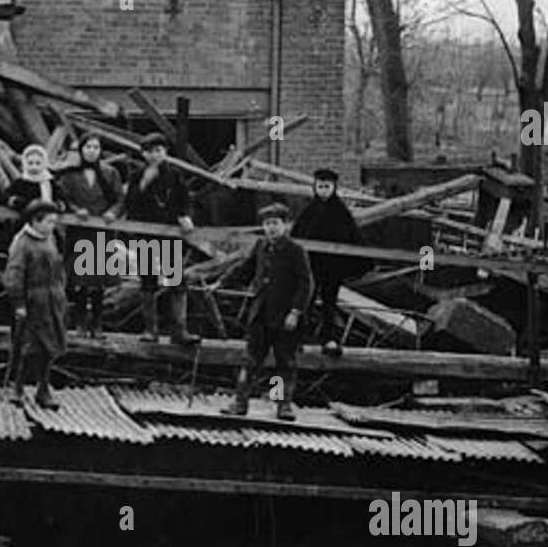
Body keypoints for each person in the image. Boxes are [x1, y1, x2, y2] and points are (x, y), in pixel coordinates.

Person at [221, 202, 314, 421]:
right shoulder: (261, 246)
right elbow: (245, 268)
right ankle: (240, 403)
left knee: (284, 363)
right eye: (267, 223)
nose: (271, 228)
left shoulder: (295, 250)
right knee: (251, 360)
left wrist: (295, 312)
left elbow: (306, 284)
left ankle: (281, 406)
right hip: (260, 315)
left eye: (275, 223)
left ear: (285, 225)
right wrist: (221, 282)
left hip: (284, 318)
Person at [123, 132, 200, 345]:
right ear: (144, 154)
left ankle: (179, 331)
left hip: (169, 235)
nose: (156, 155)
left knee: (176, 280)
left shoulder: (174, 175)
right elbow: (130, 204)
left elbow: (183, 199)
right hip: (145, 235)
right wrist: (143, 186)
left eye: (160, 151)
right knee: (148, 281)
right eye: (151, 151)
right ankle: (150, 330)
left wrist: (185, 217)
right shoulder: (137, 176)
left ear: (165, 152)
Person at [290, 167, 369, 355]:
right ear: (314, 187)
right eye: (320, 186)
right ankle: (298, 339)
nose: (323, 190)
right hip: (311, 266)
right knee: (304, 301)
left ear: (334, 187)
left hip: (332, 268)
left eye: (327, 186)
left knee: (329, 304)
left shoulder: (340, 211)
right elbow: (297, 235)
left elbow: (354, 237)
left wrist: (361, 261)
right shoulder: (309, 211)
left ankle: (329, 340)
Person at [56, 134, 124, 338]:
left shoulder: (110, 173)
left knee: (99, 280)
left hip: (102, 231)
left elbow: (120, 198)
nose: (92, 151)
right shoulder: (70, 174)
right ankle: (80, 323)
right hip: (80, 231)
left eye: (96, 147)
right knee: (80, 280)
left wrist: (113, 212)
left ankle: (97, 323)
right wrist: (76, 209)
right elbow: (63, 197)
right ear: (81, 150)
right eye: (88, 147)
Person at [3, 198, 67, 409]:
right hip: (34, 301)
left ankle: (43, 389)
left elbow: (58, 265)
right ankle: (18, 388)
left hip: (53, 300)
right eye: (48, 221)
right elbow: (14, 275)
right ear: (36, 221)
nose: (52, 225)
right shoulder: (22, 243)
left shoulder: (50, 238)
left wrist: (61, 292)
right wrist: (19, 303)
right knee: (30, 346)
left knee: (50, 346)